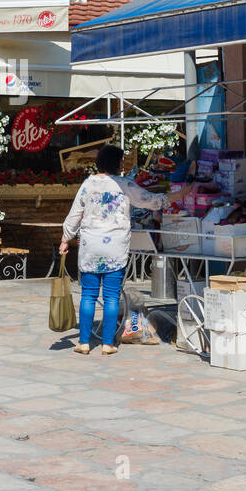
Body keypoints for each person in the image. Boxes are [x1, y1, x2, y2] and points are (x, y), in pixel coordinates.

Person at [60, 144, 169, 356]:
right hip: (115, 248)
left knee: (88, 295)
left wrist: (65, 238)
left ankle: (83, 343)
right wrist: (176, 196)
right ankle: (108, 344)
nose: (123, 164)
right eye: (120, 160)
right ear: (114, 162)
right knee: (111, 297)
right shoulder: (125, 185)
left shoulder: (87, 184)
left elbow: (75, 215)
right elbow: (150, 201)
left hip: (90, 245)